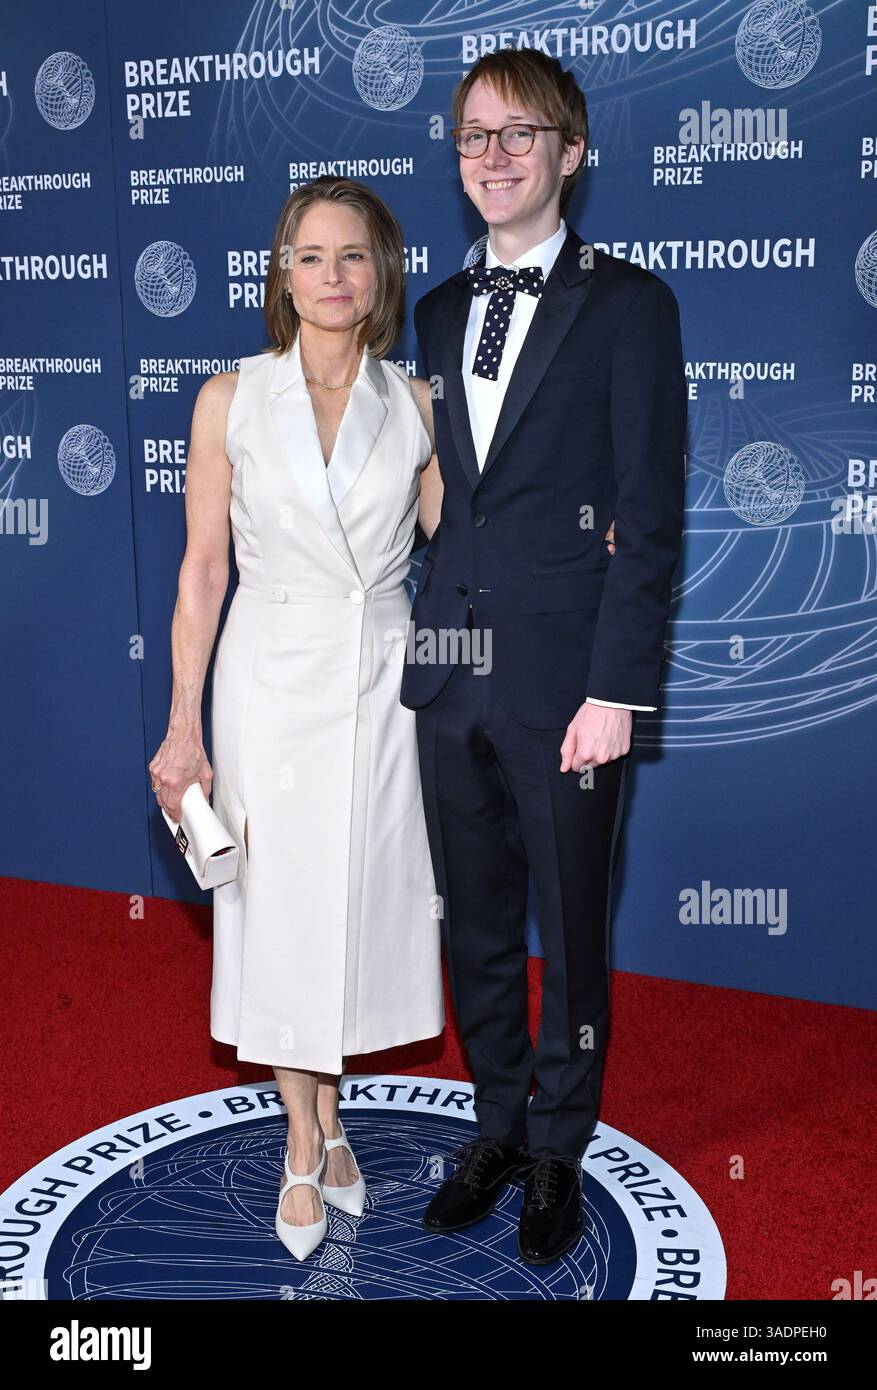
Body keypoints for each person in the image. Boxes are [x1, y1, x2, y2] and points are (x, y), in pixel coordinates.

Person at [400, 50, 687, 1264]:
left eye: (523, 134)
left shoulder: (629, 304)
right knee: (474, 921)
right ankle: (499, 1122)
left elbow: (649, 509)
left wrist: (616, 689)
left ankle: (560, 1148)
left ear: (571, 154)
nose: (496, 155)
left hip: (571, 684)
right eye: (474, 136)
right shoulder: (437, 311)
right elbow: (444, 501)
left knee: (567, 929)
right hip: (448, 666)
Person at [148, 177, 445, 1262]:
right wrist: (185, 726)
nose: (332, 276)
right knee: (279, 908)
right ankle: (302, 1134)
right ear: (282, 274)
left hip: (379, 677)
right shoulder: (229, 398)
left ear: (380, 276)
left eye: (352, 256)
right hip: (267, 673)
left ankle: (333, 1113)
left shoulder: (415, 406)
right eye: (310, 256)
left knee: (354, 903)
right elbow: (202, 569)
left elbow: (459, 549)